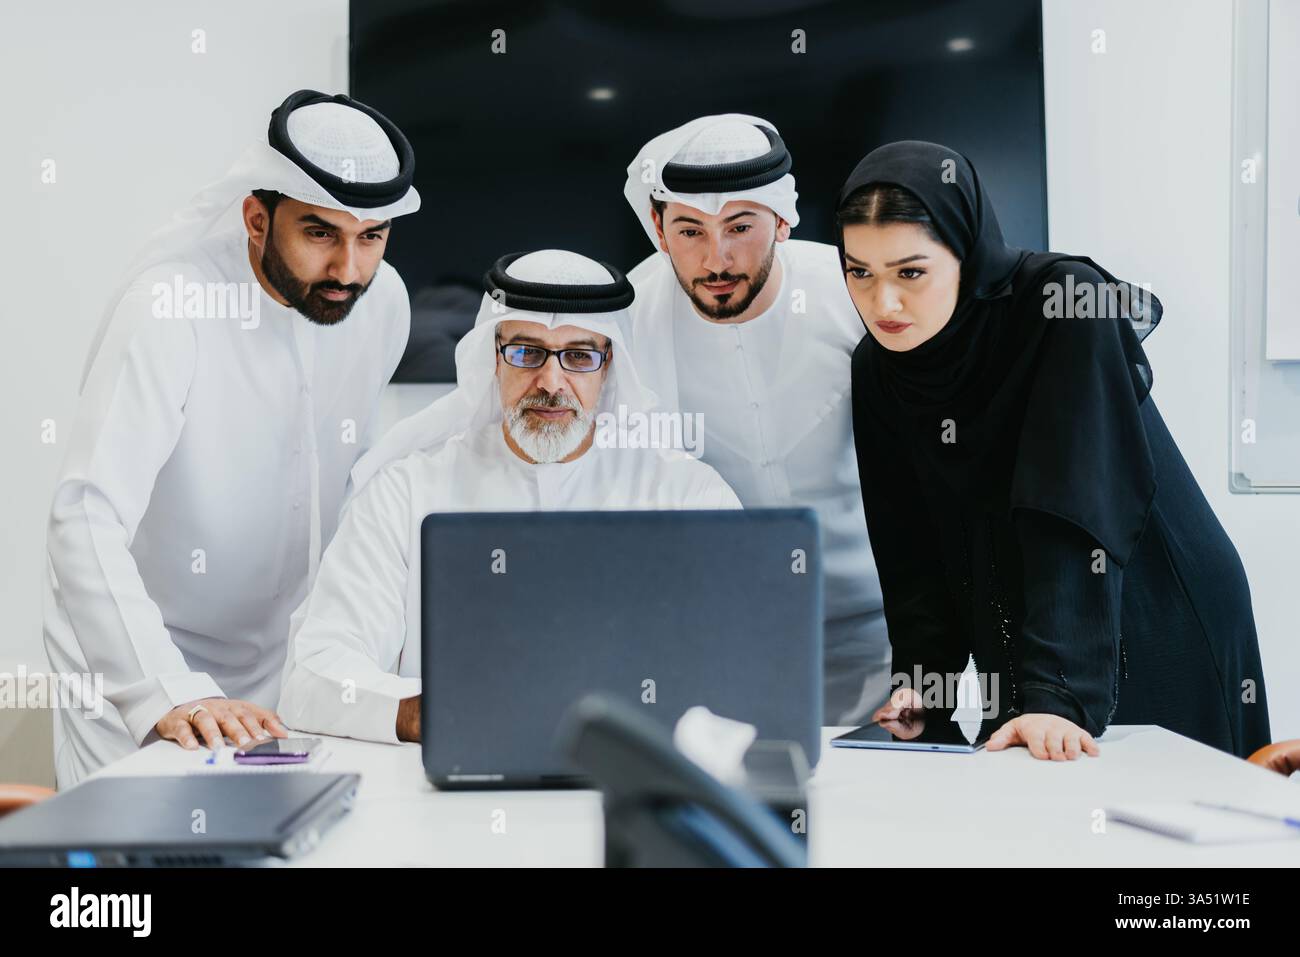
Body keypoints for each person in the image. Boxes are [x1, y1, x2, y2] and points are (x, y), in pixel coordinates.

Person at [838, 140, 1270, 760]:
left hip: (1144, 596)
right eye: (860, 272)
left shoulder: (1062, 302)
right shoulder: (878, 370)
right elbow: (908, 545)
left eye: (911, 272)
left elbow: (1073, 510)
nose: (883, 304)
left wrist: (1056, 692)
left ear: (964, 253)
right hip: (1027, 615)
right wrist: (922, 692)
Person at [44, 90, 421, 785]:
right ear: (256, 217)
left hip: (285, 675)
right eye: (319, 233)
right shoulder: (170, 309)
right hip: (142, 669)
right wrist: (167, 687)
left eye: (372, 236)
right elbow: (84, 514)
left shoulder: (382, 302)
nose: (348, 269)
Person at [277, 250, 740, 743]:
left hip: (638, 787)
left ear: (609, 370)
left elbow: (743, 662)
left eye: (579, 356)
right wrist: (433, 713)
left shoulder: (689, 495)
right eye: (527, 352)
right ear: (493, 359)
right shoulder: (406, 492)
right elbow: (314, 677)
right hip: (451, 797)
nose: (550, 382)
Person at [623, 114, 889, 726]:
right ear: (660, 230)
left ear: (783, 221)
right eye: (690, 231)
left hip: (885, 635)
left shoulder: (854, 293)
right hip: (720, 643)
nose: (716, 258)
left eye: (740, 227)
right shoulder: (630, 320)